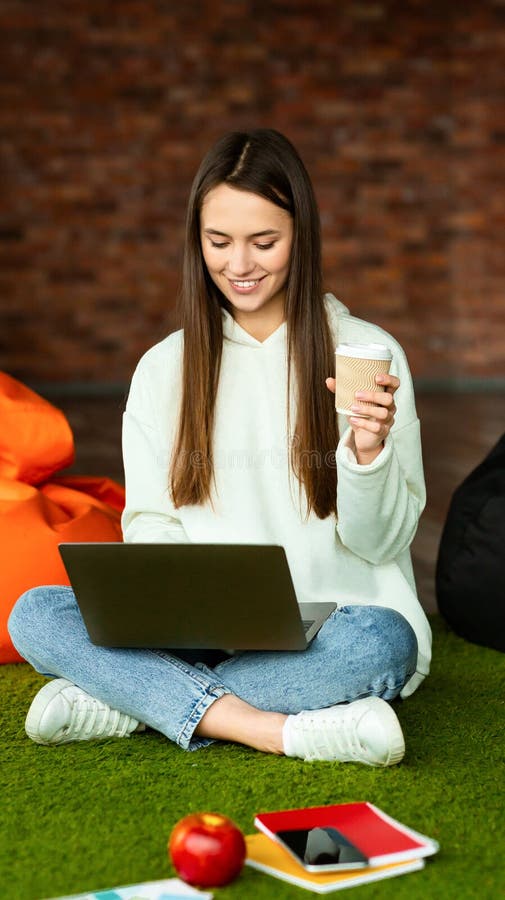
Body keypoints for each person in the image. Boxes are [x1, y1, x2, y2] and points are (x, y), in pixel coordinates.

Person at [8, 129, 431, 766]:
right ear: (195, 241)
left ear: (302, 237)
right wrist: (190, 608)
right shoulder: (163, 370)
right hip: (201, 638)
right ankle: (273, 728)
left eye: (265, 242)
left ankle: (129, 707)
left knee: (384, 642)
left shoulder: (366, 354)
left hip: (336, 630)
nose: (239, 265)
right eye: (218, 242)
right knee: (35, 613)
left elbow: (380, 546)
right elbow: (150, 522)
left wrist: (366, 454)